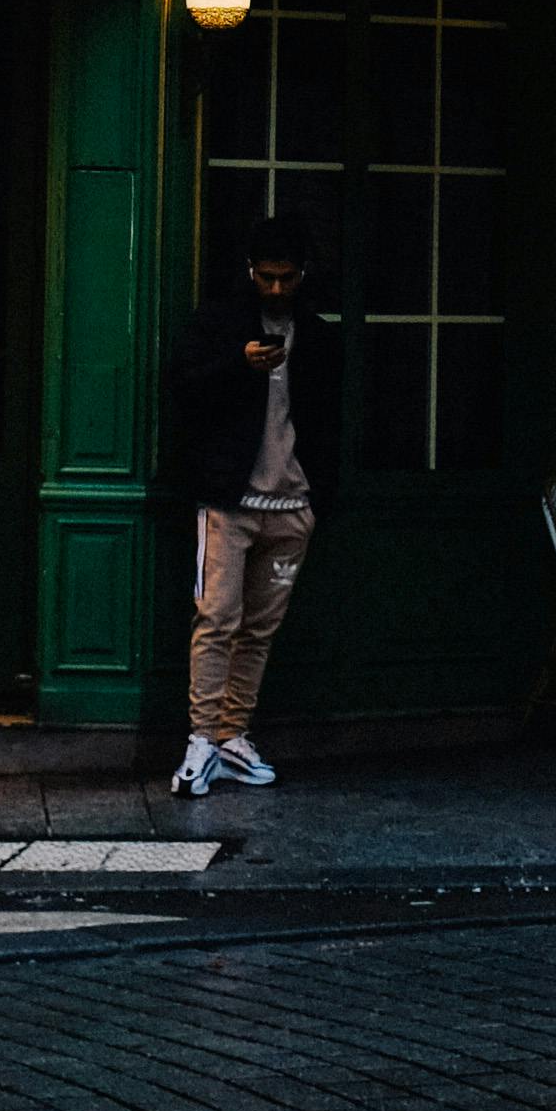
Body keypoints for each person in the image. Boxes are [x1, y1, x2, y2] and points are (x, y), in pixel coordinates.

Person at [167, 224, 328, 795]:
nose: (277, 289)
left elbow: (327, 418)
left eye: (287, 278)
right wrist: (239, 363)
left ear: (303, 276)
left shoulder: (314, 332)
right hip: (230, 499)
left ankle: (233, 735)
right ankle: (202, 740)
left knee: (259, 628)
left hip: (290, 503)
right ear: (250, 271)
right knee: (216, 619)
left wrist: (315, 497)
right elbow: (181, 388)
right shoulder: (220, 323)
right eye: (267, 277)